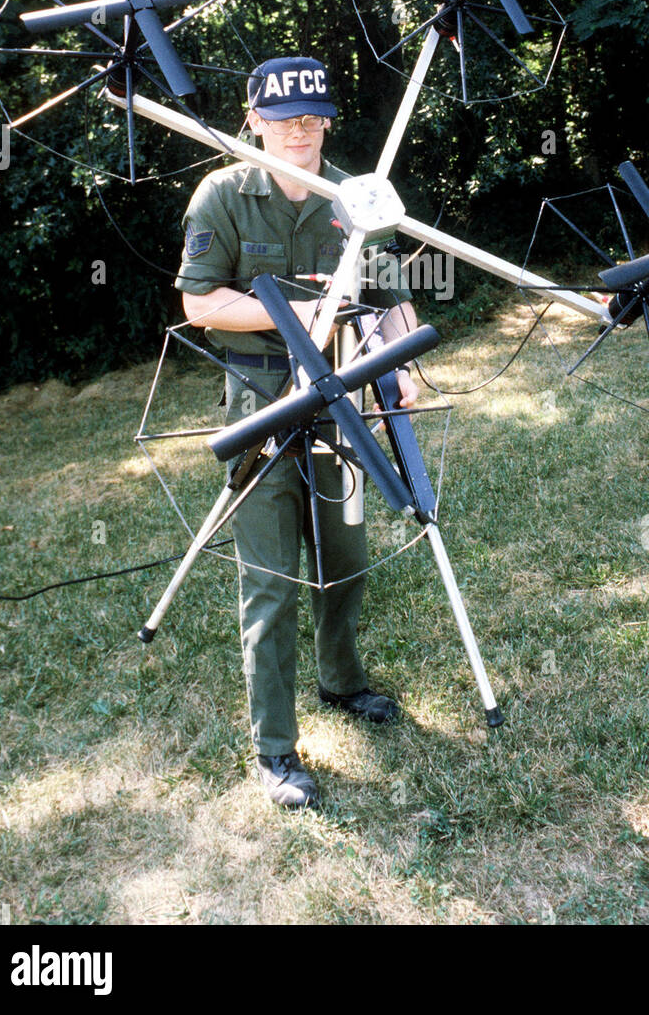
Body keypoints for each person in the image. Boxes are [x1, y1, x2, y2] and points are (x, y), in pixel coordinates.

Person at [174, 56, 419, 810]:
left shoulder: (354, 197)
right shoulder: (222, 194)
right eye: (284, 120)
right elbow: (200, 305)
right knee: (271, 578)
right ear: (254, 121)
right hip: (260, 404)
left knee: (345, 558)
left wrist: (405, 365)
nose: (300, 133)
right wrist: (299, 316)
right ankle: (275, 748)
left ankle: (341, 681)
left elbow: (390, 296)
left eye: (313, 119)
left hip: (341, 397)